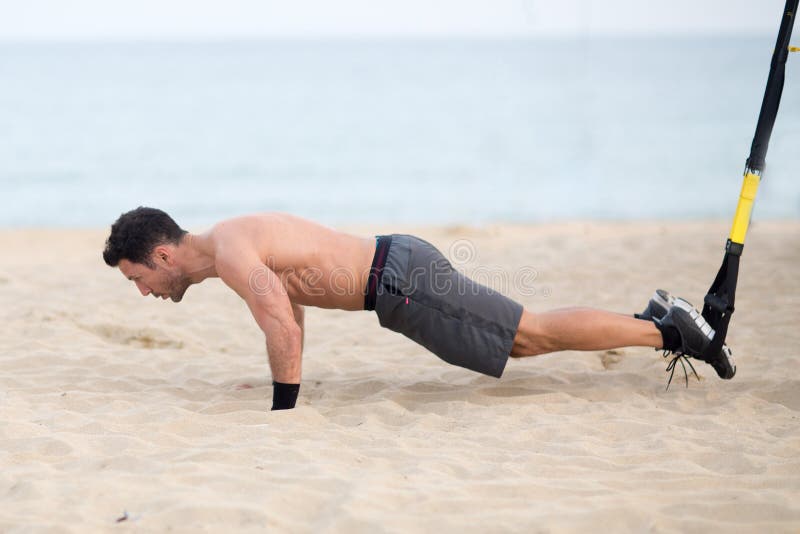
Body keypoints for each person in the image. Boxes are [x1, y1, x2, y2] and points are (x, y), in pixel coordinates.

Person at [102, 207, 736, 410]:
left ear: (161, 255)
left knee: (528, 336)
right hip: (397, 271)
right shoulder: (231, 248)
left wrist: (282, 411)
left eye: (137, 277)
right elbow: (290, 314)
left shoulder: (234, 252)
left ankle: (669, 331)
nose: (142, 292)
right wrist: (283, 381)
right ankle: (654, 318)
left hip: (400, 281)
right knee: (522, 337)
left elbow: (279, 327)